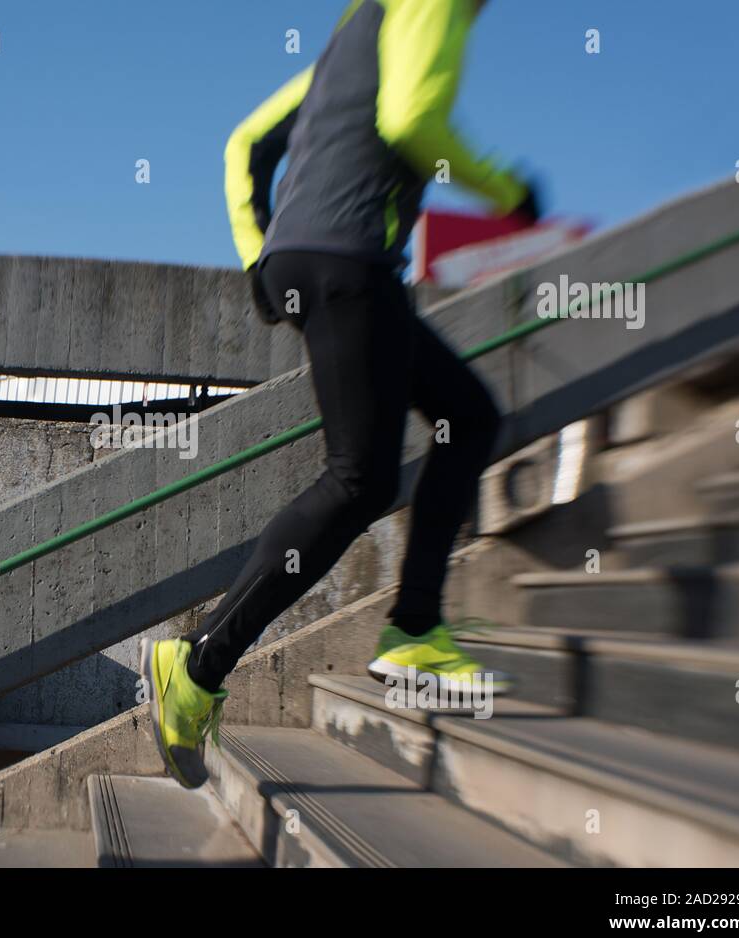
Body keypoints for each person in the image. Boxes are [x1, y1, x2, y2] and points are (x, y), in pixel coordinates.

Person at [142, 0, 541, 789]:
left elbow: (247, 142)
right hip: (348, 259)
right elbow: (412, 118)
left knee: (467, 412)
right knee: (358, 476)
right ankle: (197, 664)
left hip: (311, 258)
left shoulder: (349, 37)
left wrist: (260, 257)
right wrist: (506, 190)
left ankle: (416, 623)